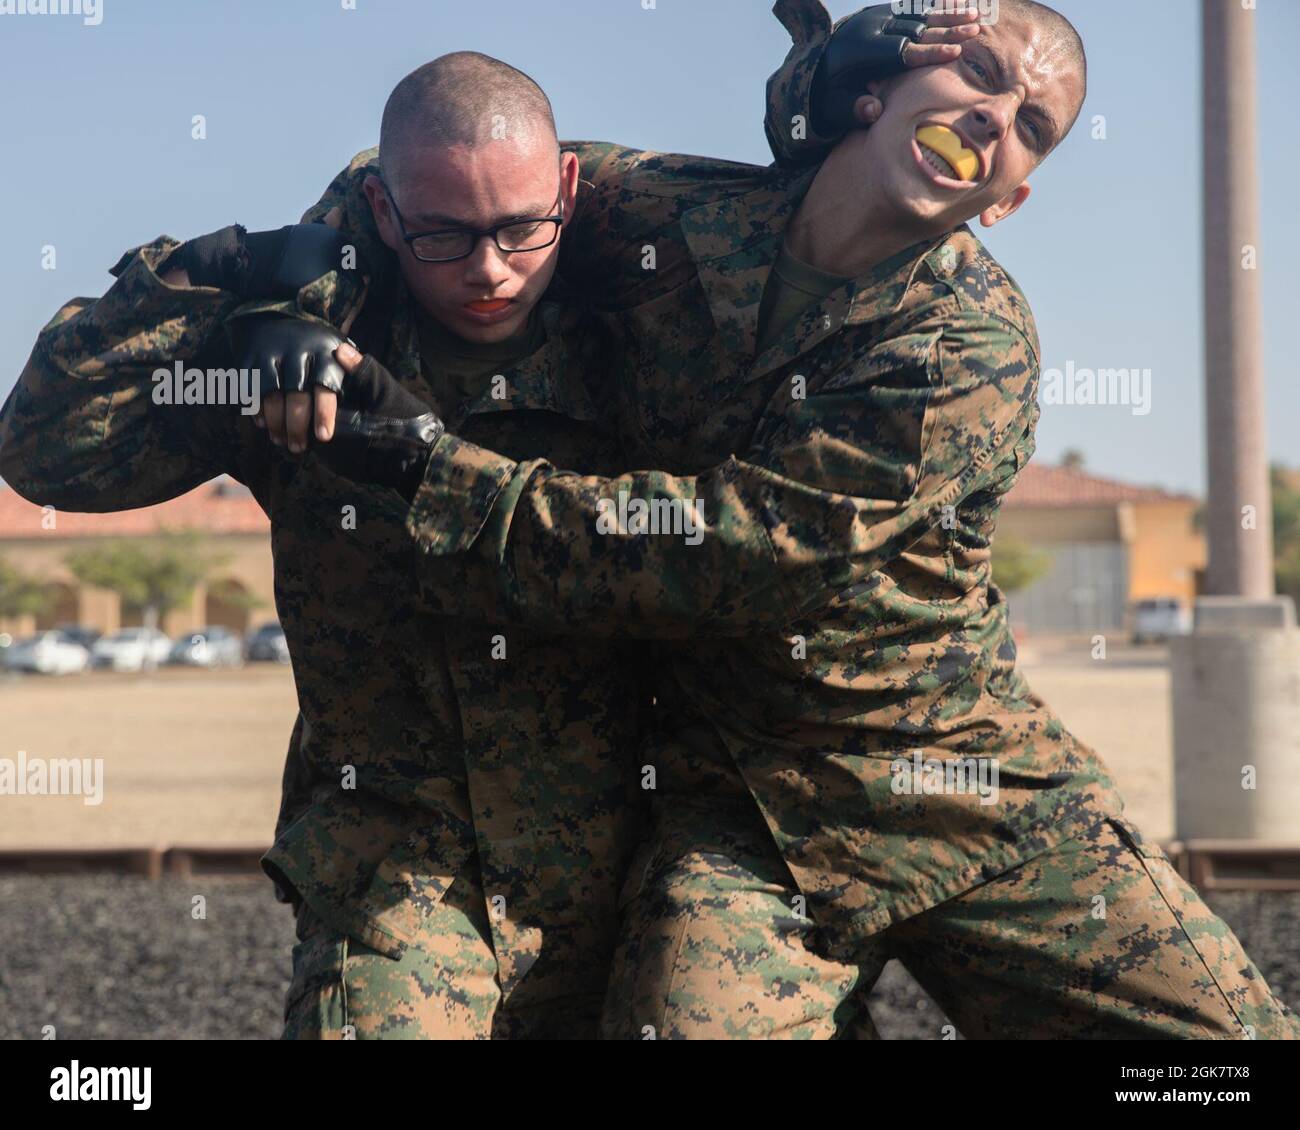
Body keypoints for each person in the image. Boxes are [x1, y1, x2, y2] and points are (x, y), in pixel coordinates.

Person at [258, 0, 1300, 1039]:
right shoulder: (670, 214)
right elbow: (431, 168)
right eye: (979, 73)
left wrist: (433, 469)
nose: (996, 116)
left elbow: (734, 553)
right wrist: (307, 298)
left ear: (1007, 202)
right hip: (746, 797)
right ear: (874, 89)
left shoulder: (968, 347)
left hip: (956, 780)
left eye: (1032, 125)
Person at [0, 5, 971, 1038]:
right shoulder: (304, 356)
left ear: (564, 191)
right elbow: (51, 452)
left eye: (519, 227)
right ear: (380, 209)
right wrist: (213, 274)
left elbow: (813, 244)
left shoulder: (652, 337)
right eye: (443, 235)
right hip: (407, 862)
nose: (490, 267)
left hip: (647, 847)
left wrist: (835, 88)